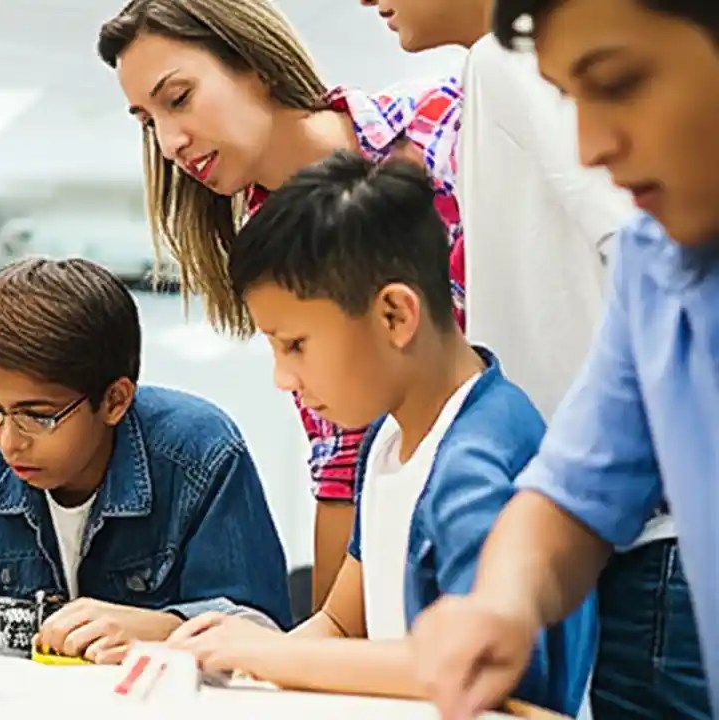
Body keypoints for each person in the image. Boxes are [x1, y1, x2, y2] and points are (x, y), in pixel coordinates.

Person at [358, 1, 704, 717]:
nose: (587, 149)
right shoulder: (656, 266)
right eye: (570, 99)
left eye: (619, 83)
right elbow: (575, 490)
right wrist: (502, 603)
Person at [166, 151, 595, 715]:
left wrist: (268, 655)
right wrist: (232, 660)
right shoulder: (388, 439)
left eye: (294, 344)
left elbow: (475, 669)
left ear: (395, 315)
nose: (282, 378)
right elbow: (343, 621)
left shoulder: (477, 457)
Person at [98, 0, 462, 608]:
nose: (169, 143)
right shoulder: (273, 252)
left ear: (254, 64)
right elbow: (340, 461)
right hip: (431, 545)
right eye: (147, 120)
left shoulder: (445, 124)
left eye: (179, 98)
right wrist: (322, 649)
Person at [0, 257, 291, 662]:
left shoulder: (197, 454)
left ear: (115, 400)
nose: (9, 442)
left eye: (38, 416)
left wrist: (159, 629)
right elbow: (8, 645)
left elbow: (265, 632)